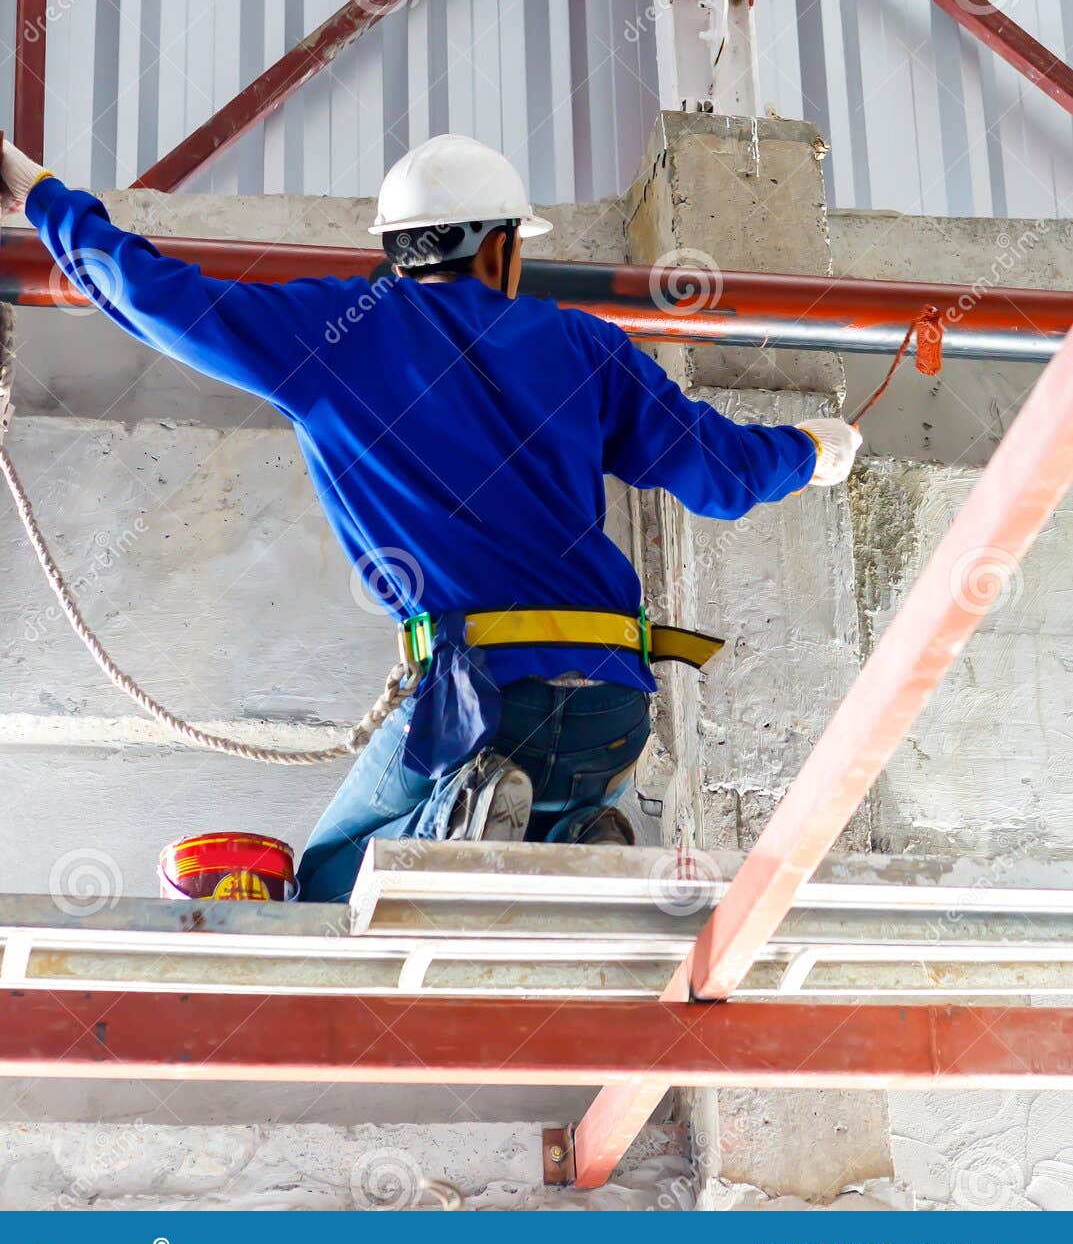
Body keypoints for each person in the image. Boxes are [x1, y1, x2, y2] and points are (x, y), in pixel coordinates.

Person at [0, 133, 861, 901]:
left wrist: (40, 194)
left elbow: (147, 292)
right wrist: (812, 450)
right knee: (539, 832)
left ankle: (461, 820)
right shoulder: (585, 344)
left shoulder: (331, 335)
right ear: (501, 247)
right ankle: (573, 835)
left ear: (394, 248)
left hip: (473, 700)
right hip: (612, 701)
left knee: (334, 876)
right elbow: (719, 474)